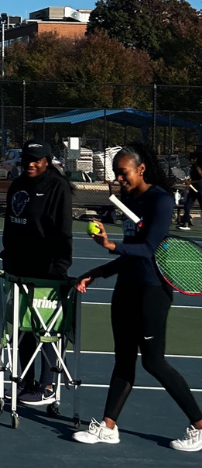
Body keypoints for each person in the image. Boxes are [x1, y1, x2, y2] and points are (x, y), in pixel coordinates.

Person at [73, 143, 202, 451]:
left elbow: (148, 250)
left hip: (152, 291)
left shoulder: (160, 201)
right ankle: (108, 427)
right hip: (126, 289)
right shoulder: (128, 200)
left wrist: (111, 246)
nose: (120, 178)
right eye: (117, 173)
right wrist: (98, 272)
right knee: (124, 360)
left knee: (154, 362)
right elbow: (130, 254)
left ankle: (199, 425)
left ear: (141, 169)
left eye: (124, 172)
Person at [0, 139, 73, 406]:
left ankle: (47, 384)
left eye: (37, 160)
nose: (30, 163)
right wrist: (7, 253)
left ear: (47, 161)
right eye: (27, 159)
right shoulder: (18, 184)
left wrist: (60, 264)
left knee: (47, 327)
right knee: (23, 327)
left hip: (48, 269)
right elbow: (10, 222)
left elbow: (63, 228)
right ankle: (26, 382)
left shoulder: (57, 186)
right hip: (18, 266)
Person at [182, 150, 202, 230]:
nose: (190, 160)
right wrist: (188, 181)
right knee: (187, 206)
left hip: (200, 189)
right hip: (193, 189)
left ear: (195, 159)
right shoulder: (192, 168)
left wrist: (191, 181)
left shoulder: (197, 167)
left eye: (191, 159)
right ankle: (186, 224)